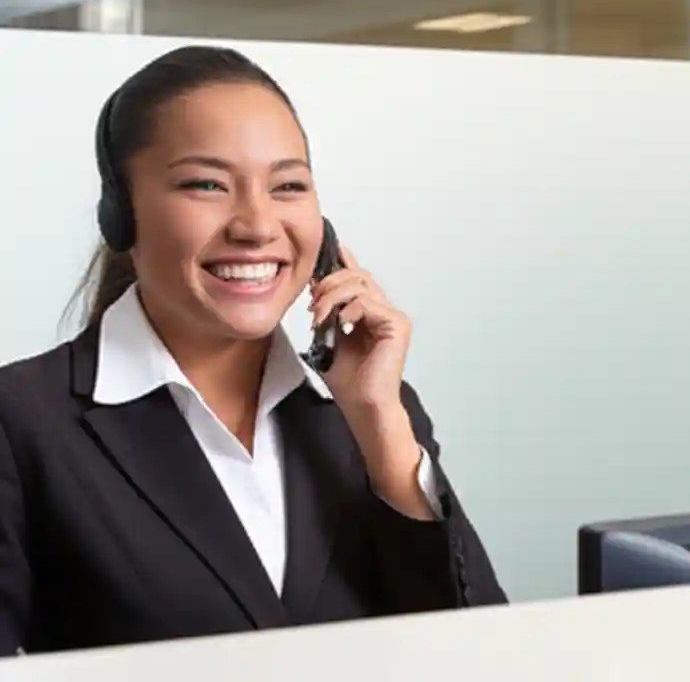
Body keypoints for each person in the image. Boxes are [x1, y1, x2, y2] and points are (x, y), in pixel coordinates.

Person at [0, 46, 505, 655]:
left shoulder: (370, 409)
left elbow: (485, 652)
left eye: (288, 186)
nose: (258, 226)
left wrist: (382, 430)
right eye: (207, 184)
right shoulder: (22, 423)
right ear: (122, 214)